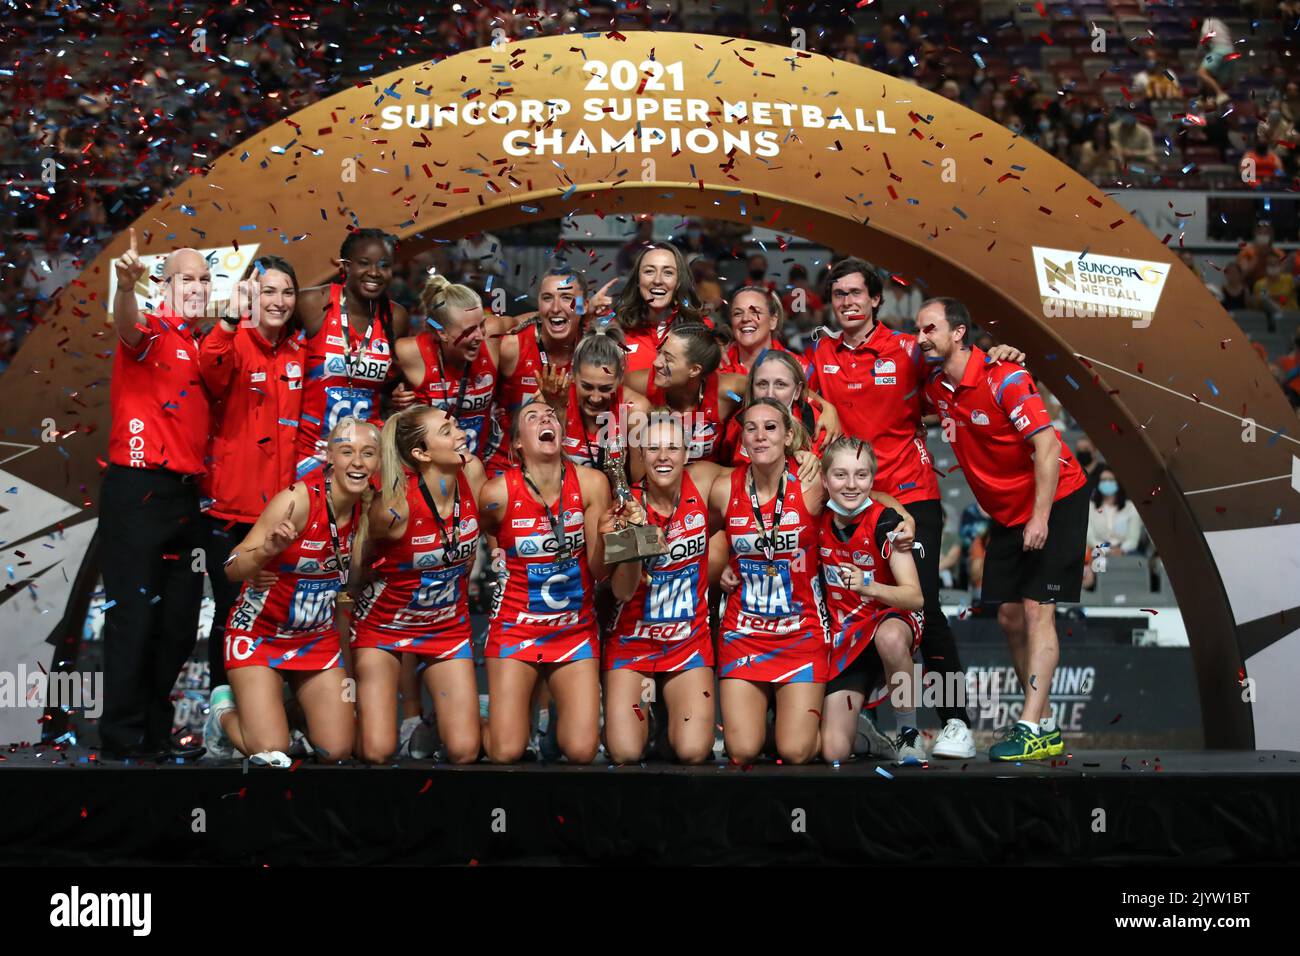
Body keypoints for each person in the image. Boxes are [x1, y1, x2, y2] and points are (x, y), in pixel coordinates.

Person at [808, 257, 1027, 760]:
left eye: (856, 293)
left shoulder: (910, 348)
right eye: (838, 294)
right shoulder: (819, 353)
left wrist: (1000, 355)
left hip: (910, 499)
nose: (847, 302)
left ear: (877, 299)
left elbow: (962, 363)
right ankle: (863, 717)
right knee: (849, 608)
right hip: (845, 505)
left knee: (921, 607)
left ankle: (956, 725)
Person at [917, 297, 1089, 762]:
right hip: (1008, 514)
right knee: (1011, 619)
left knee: (1038, 613)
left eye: (929, 328)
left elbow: (1049, 447)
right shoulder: (939, 385)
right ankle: (1047, 722)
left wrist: (1040, 517)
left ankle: (1031, 725)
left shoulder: (1006, 377)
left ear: (957, 332)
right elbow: (943, 413)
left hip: (1056, 499)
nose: (920, 338)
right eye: (918, 329)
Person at [203, 417, 381, 766]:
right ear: (330, 456)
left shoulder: (372, 511)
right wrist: (267, 551)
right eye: (347, 452)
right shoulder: (298, 500)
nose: (358, 462)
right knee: (273, 752)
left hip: (315, 640)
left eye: (368, 453)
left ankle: (287, 714)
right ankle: (223, 714)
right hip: (260, 634)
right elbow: (230, 567)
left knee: (338, 750)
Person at [98, 230, 211, 761]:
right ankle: (123, 736)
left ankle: (155, 729)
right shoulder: (151, 328)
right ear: (163, 287)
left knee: (179, 623)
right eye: (186, 278)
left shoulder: (200, 342)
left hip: (186, 499)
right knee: (134, 620)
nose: (197, 286)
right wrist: (125, 287)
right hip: (138, 490)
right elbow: (126, 325)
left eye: (204, 279)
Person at [476, 400, 612, 763]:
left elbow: (600, 572)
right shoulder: (497, 493)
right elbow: (484, 528)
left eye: (550, 415)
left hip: (574, 629)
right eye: (532, 418)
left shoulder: (593, 483)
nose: (545, 419)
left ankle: (549, 718)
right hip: (516, 627)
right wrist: (495, 548)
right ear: (517, 443)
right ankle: (472, 718)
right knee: (505, 752)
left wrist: (608, 534)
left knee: (582, 751)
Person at [351, 406, 487, 764]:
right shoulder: (393, 508)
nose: (459, 433)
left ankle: (433, 723)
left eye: (455, 424)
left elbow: (466, 551)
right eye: (446, 431)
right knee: (377, 751)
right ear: (421, 454)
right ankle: (305, 712)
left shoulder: (471, 472)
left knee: (464, 751)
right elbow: (356, 564)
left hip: (446, 626)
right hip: (385, 625)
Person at [197, 256, 305, 700]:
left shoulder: (300, 349)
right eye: (268, 292)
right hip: (230, 511)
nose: (278, 302)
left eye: (287, 292)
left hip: (281, 512)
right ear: (250, 298)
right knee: (231, 613)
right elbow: (209, 366)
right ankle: (223, 711)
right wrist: (228, 318)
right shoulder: (232, 342)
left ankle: (276, 713)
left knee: (281, 611)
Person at [711, 399, 828, 764]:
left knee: (794, 752)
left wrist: (903, 517)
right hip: (744, 632)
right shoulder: (722, 488)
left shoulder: (812, 484)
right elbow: (701, 532)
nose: (760, 436)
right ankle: (781, 717)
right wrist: (722, 567)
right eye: (751, 428)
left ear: (789, 435)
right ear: (742, 438)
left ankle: (837, 724)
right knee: (743, 750)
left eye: (771, 428)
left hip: (801, 631)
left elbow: (865, 499)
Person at [601, 413, 716, 764]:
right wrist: (636, 538)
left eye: (672, 448)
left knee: (694, 752)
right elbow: (622, 590)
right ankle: (649, 716)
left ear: (686, 453)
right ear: (640, 455)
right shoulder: (623, 508)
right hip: (632, 641)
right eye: (653, 448)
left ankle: (668, 713)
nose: (663, 456)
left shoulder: (706, 483)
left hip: (687, 641)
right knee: (625, 752)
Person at [817, 437, 925, 765]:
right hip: (845, 633)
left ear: (872, 479)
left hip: (890, 620)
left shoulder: (887, 522)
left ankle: (909, 732)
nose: (851, 485)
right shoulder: (815, 516)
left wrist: (870, 585)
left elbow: (914, 597)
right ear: (824, 480)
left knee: (890, 638)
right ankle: (865, 736)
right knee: (833, 751)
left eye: (861, 476)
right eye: (841, 475)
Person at [292, 228, 412, 479]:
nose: (375, 273)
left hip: (367, 455)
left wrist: (399, 394)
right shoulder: (312, 304)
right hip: (311, 453)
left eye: (384, 265)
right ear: (345, 266)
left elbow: (392, 382)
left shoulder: (396, 317)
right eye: (364, 263)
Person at [487, 268, 616, 476]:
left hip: (568, 469)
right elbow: (486, 329)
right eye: (548, 298)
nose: (556, 308)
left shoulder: (593, 345)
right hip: (508, 469)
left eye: (567, 298)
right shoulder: (513, 346)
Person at [394, 272, 499, 460]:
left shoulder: (494, 340)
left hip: (480, 468)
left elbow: (536, 322)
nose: (480, 336)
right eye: (468, 331)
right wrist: (393, 397)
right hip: (430, 468)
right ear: (442, 333)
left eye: (481, 325)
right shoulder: (409, 352)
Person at [551, 326, 651, 470]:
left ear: (620, 378)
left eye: (606, 389)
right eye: (587, 387)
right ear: (573, 374)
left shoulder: (634, 410)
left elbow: (639, 483)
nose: (595, 398)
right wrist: (557, 411)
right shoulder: (557, 399)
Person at [720, 349, 825, 465]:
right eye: (762, 384)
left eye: (780, 385)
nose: (770, 394)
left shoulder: (817, 425)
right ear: (751, 388)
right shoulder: (737, 424)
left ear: (797, 391)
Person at [613, 243, 705, 374]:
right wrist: (586, 316)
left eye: (668, 273)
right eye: (649, 271)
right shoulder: (616, 330)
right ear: (638, 280)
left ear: (678, 282)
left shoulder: (701, 330)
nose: (657, 280)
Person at [718, 285, 794, 376]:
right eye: (738, 313)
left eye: (755, 312)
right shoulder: (716, 365)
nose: (745, 318)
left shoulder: (799, 368)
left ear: (773, 320)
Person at [1086, 466, 1144, 557]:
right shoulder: (1090, 507)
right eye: (1103, 480)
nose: (1107, 483)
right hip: (1097, 552)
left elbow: (1133, 539)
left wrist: (1122, 549)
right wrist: (1107, 550)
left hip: (1126, 553)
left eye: (1111, 480)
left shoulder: (1131, 507)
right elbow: (1090, 538)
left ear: (1118, 482)